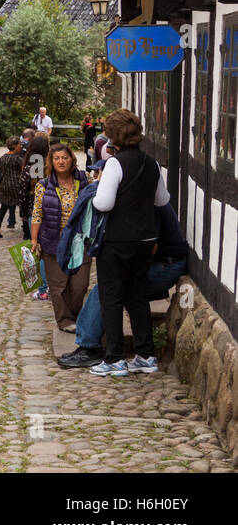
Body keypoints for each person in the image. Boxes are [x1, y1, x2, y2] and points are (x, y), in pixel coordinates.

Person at [89, 109, 171, 377]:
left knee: (111, 297)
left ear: (114, 135)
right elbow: (162, 200)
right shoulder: (152, 163)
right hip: (146, 240)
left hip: (117, 240)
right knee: (137, 296)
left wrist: (91, 196)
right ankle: (145, 355)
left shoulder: (114, 163)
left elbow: (104, 202)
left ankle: (114, 358)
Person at [59, 200, 188, 369]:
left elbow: (150, 248)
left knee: (107, 289)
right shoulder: (139, 198)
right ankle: (142, 353)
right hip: (154, 263)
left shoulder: (150, 205)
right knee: (112, 287)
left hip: (166, 265)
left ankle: (89, 348)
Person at [30, 143, 91, 332]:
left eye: (64, 157)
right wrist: (34, 239)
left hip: (80, 240)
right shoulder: (44, 185)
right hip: (53, 241)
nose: (61, 161)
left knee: (80, 285)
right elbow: (37, 213)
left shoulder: (84, 180)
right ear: (51, 161)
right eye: (56, 158)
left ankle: (73, 316)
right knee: (58, 286)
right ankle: (65, 321)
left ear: (72, 159)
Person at [18, 132, 50, 299]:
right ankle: (50, 284)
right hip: (51, 211)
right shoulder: (50, 166)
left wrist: (22, 213)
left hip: (33, 211)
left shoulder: (29, 168)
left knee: (36, 249)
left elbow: (23, 192)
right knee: (48, 249)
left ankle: (42, 288)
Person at [0, 137, 25, 237]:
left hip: (5, 186)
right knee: (23, 208)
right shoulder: (18, 158)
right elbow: (24, 170)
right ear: (14, 146)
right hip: (16, 186)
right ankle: (27, 233)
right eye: (19, 144)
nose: (21, 146)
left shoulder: (3, 157)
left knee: (3, 209)